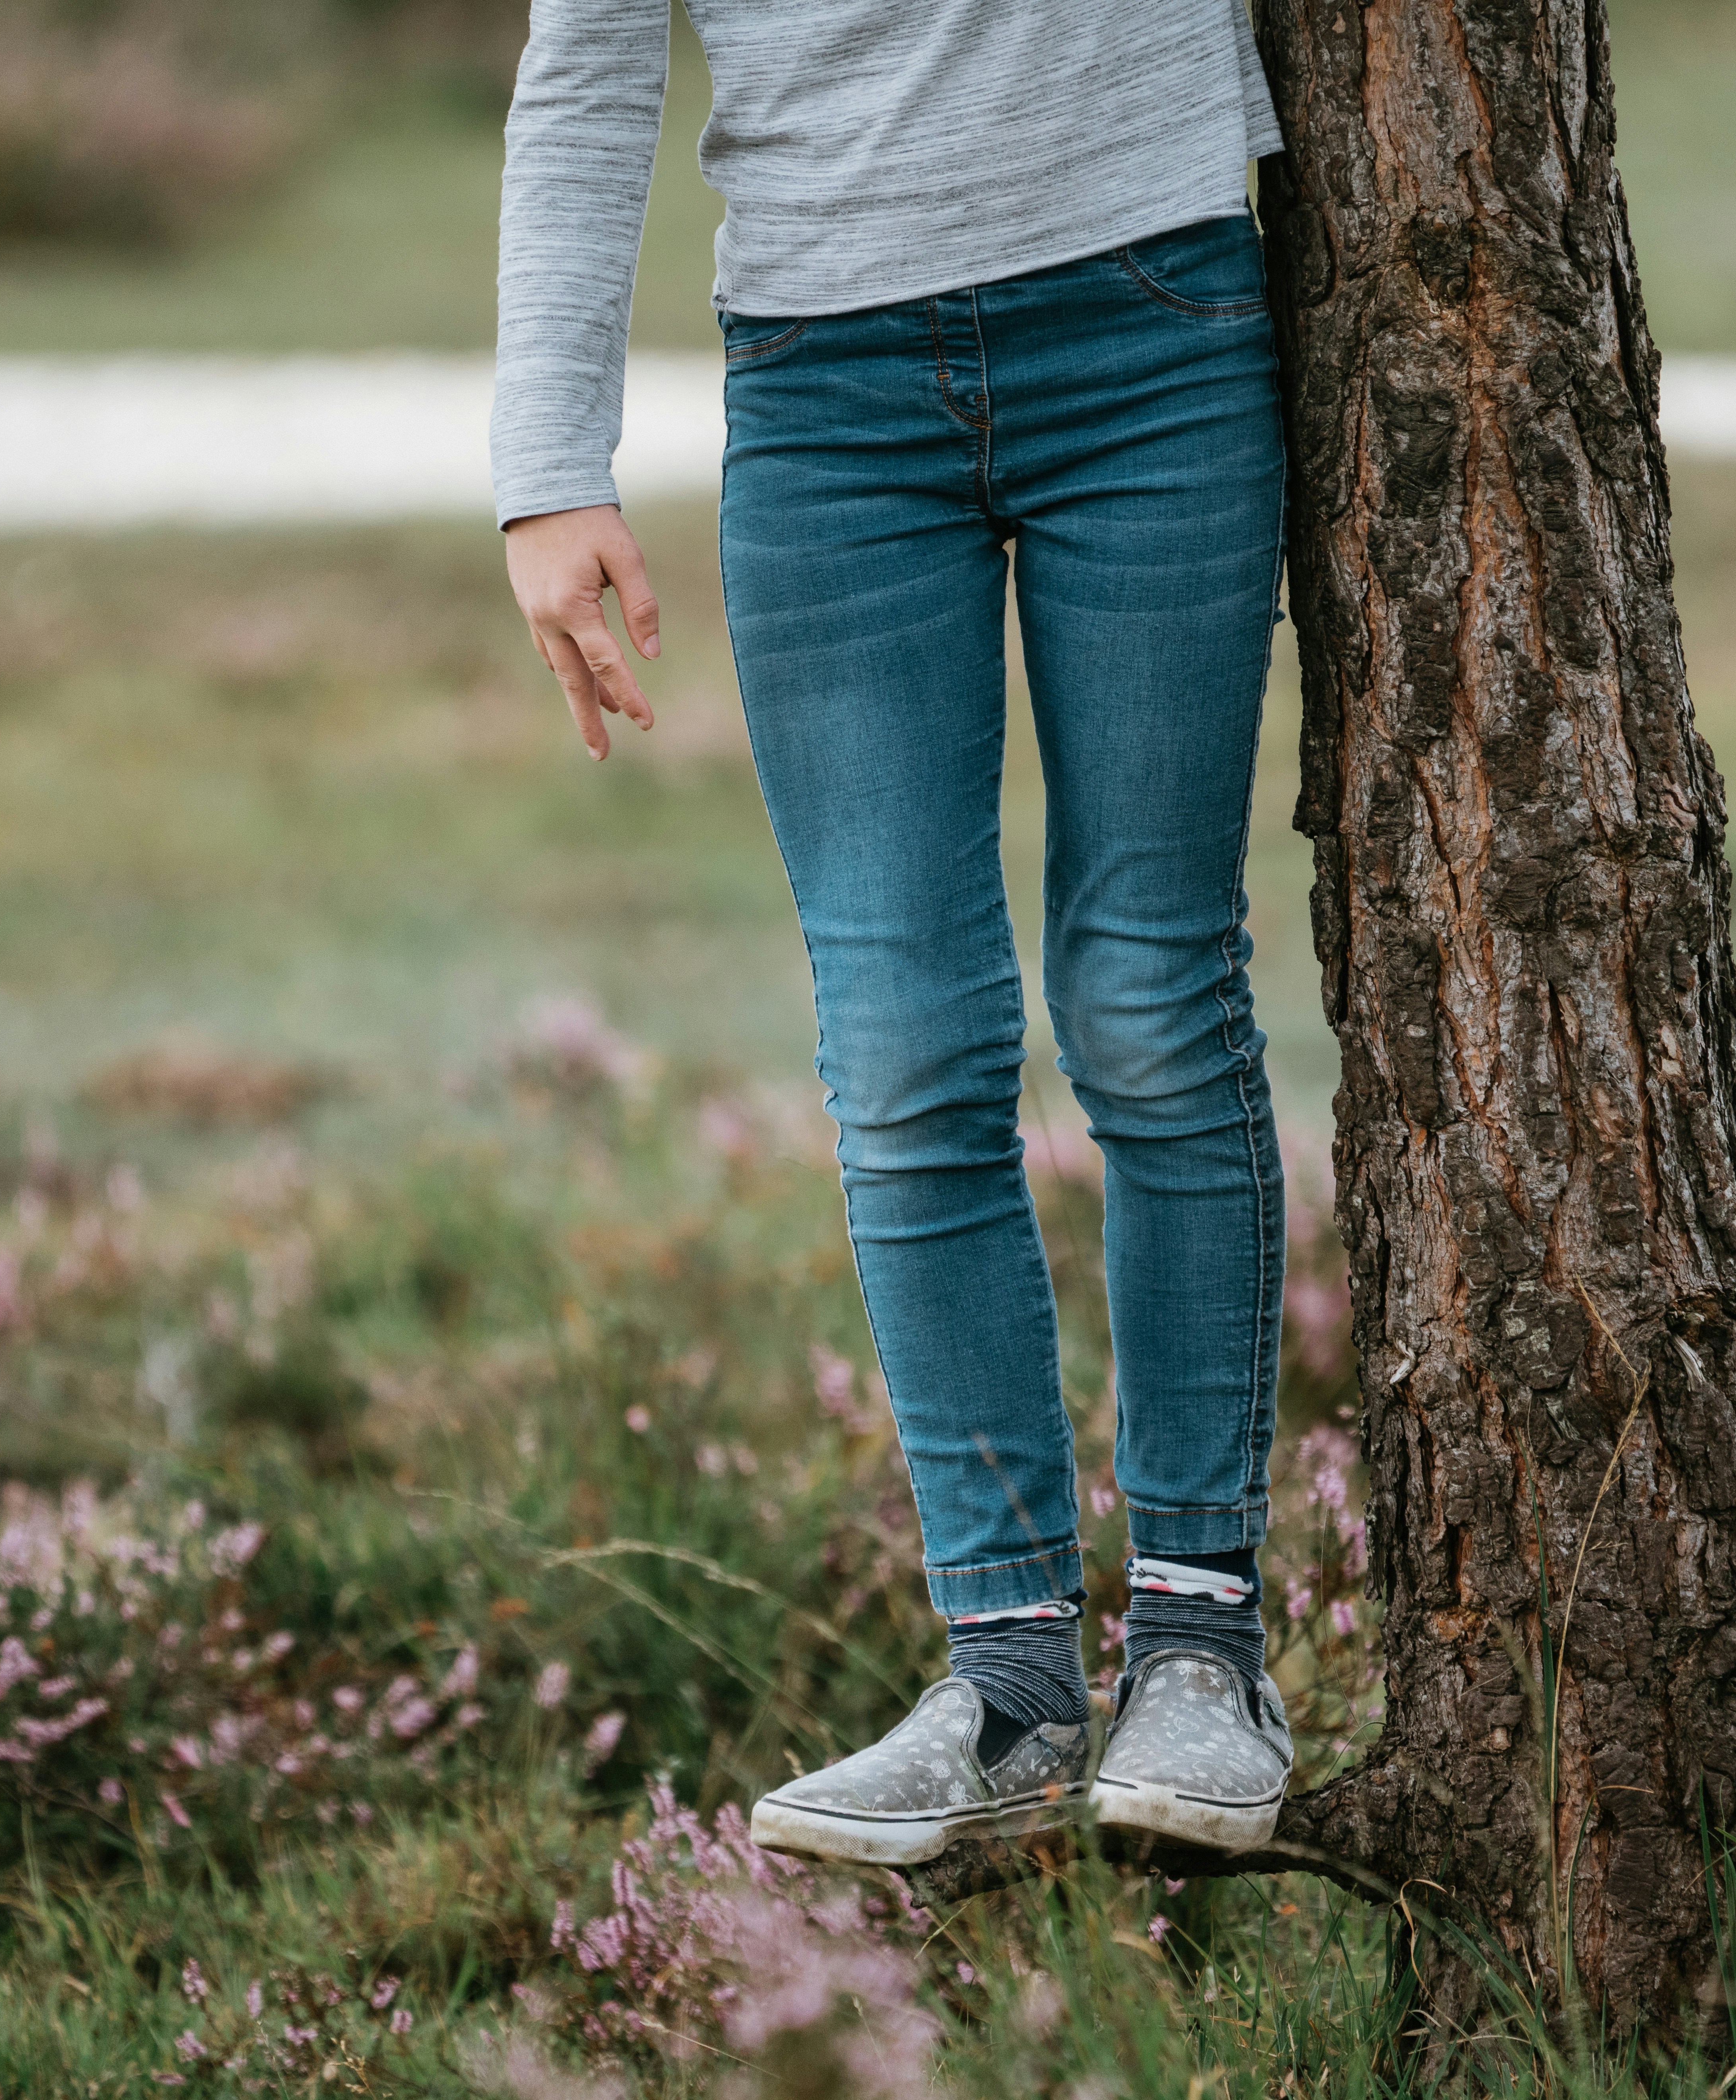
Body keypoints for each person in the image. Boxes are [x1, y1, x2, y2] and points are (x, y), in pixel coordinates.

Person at [493, 0, 1294, 1867]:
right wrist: (548, 464)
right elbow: (587, 61)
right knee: (905, 1043)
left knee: (1147, 997)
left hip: (1155, 320)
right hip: (824, 394)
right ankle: (1009, 1686)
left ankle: (1202, 1652)